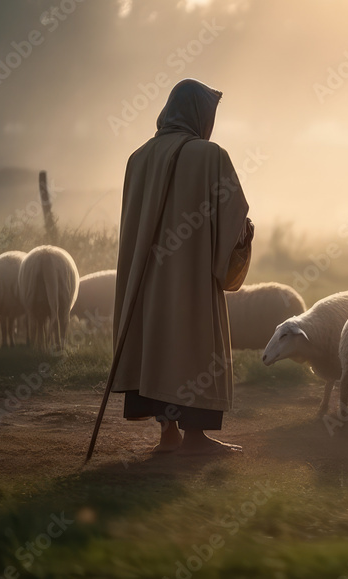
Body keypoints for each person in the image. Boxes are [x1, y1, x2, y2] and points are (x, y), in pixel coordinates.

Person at [111, 78, 254, 455]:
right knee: (195, 344)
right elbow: (234, 215)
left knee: (157, 341)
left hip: (148, 278)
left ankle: (168, 433)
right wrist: (243, 236)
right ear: (198, 115)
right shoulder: (211, 156)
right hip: (189, 276)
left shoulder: (137, 159)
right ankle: (196, 436)